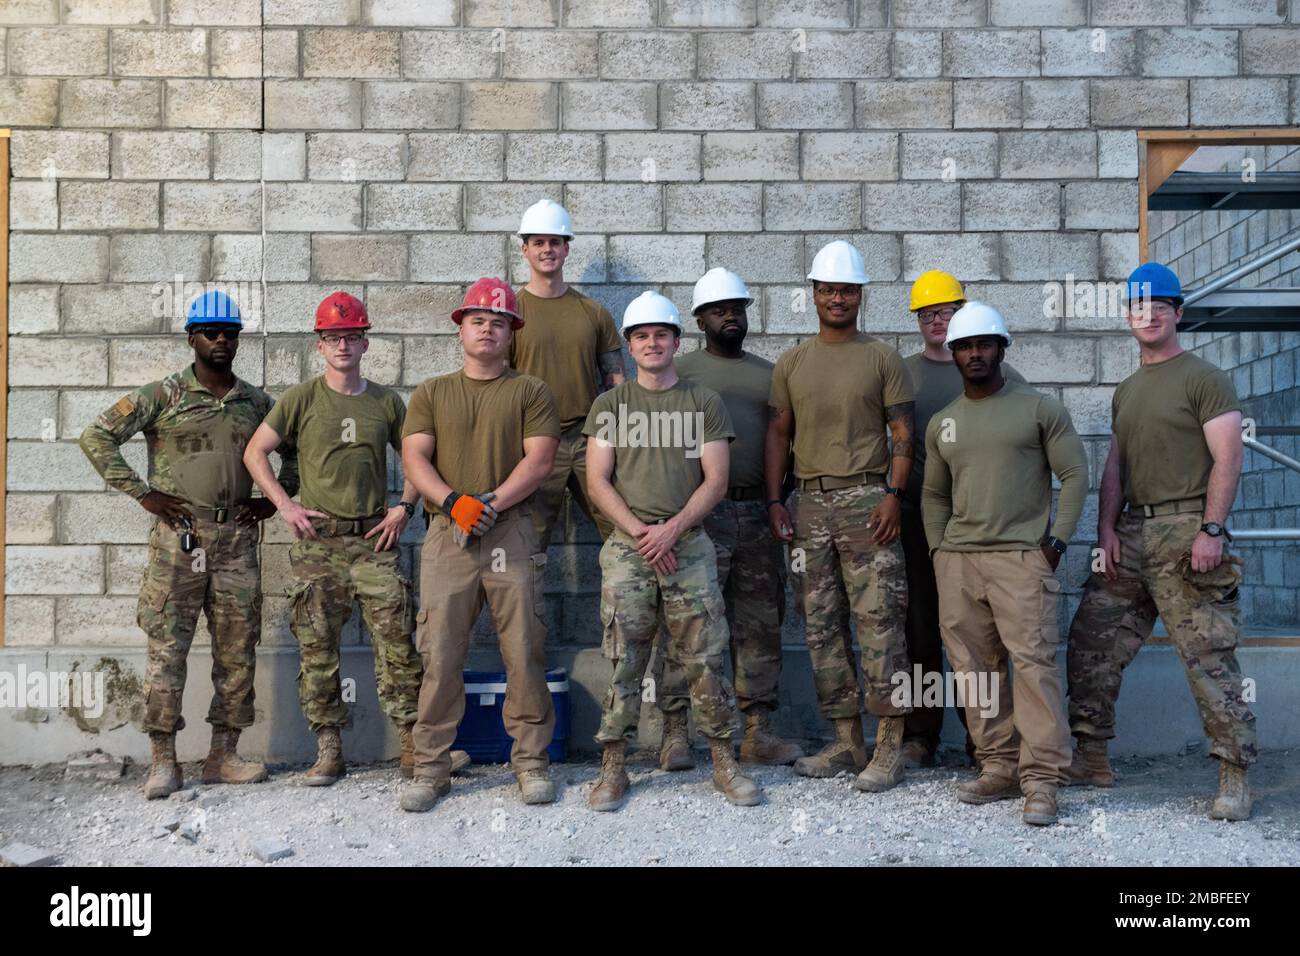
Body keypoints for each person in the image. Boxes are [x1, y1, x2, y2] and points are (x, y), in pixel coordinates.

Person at [244, 292, 467, 785]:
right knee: (318, 649)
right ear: (319, 345)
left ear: (366, 342)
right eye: (332, 337)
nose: (342, 345)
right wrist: (286, 504)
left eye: (351, 336)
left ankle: (414, 747)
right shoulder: (301, 398)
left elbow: (417, 458)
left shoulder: (386, 401)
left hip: (373, 543)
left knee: (398, 645)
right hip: (318, 544)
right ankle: (328, 751)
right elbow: (256, 453)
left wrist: (404, 506)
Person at [79, 291, 296, 798]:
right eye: (211, 332)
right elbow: (97, 436)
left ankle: (224, 754)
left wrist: (274, 500)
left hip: (237, 541)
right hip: (179, 538)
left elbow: (295, 453)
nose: (222, 341)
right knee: (167, 649)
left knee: (237, 649)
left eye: (230, 333)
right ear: (192, 338)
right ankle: (163, 761)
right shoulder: (165, 395)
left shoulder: (257, 403)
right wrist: (144, 493)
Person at [1064, 262, 1257, 821]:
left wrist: (1211, 529)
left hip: (1187, 529)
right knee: (1092, 639)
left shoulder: (1204, 378)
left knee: (1208, 656)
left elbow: (1229, 457)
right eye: (1137, 306)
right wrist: (1104, 529)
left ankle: (1234, 774)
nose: (1147, 314)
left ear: (1178, 313)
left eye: (1159, 305)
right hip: (1131, 533)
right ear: (1127, 314)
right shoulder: (1127, 390)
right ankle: (1092, 756)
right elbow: (1116, 467)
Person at [584, 291, 761, 812]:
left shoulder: (702, 402)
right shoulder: (611, 405)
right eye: (641, 336)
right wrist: (643, 532)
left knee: (706, 655)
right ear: (630, 347)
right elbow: (597, 480)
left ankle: (723, 760)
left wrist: (672, 530)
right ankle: (614, 765)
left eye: (661, 334)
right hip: (628, 547)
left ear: (676, 342)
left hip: (688, 547)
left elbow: (716, 480)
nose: (652, 343)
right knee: (624, 656)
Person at [922, 302, 1088, 826]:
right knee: (974, 669)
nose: (975, 354)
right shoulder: (944, 423)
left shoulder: (1039, 408)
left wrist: (1055, 544)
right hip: (959, 562)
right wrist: (938, 551)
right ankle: (998, 764)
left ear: (1001, 348)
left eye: (984, 344)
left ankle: (1041, 780)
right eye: (965, 346)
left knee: (1034, 666)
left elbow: (1076, 476)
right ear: (952, 354)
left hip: (1022, 559)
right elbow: (933, 494)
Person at [399, 278, 561, 813]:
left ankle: (531, 762)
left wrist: (487, 503)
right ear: (460, 329)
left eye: (498, 322)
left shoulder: (531, 391)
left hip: (510, 530)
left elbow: (538, 461)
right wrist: (452, 503)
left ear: (512, 332)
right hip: (448, 535)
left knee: (523, 649)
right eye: (477, 321)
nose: (487, 329)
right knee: (440, 652)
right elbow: (415, 458)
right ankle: (431, 767)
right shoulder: (432, 391)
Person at [765, 240, 914, 792]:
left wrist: (894, 494)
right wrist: (777, 500)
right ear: (814, 295)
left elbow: (903, 433)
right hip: (807, 504)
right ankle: (847, 740)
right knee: (822, 627)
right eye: (828, 289)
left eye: (847, 290)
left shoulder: (883, 358)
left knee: (879, 624)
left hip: (866, 501)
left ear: (860, 295)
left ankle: (889, 744)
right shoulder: (792, 362)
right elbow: (780, 434)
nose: (837, 298)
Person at [651, 268, 804, 771]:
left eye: (738, 308)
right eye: (720, 310)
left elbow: (786, 440)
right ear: (699, 320)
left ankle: (757, 730)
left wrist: (783, 498)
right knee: (685, 623)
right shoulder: (683, 373)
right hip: (696, 516)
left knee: (759, 622)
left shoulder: (770, 374)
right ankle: (677, 732)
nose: (731, 316)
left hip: (758, 512)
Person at [900, 270, 1025, 768]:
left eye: (946, 312)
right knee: (921, 632)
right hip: (916, 521)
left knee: (982, 638)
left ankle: (984, 742)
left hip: (983, 523)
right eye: (928, 314)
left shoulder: (1000, 375)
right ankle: (920, 736)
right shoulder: (902, 373)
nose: (937, 321)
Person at [510, 199, 624, 547]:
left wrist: (612, 440)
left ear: (566, 249)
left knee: (621, 532)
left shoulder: (593, 312)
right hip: (534, 441)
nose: (548, 250)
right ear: (525, 250)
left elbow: (616, 382)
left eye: (555, 242)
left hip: (589, 437)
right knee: (527, 543)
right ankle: (525, 604)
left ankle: (630, 600)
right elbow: (499, 385)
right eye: (539, 243)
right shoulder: (510, 314)